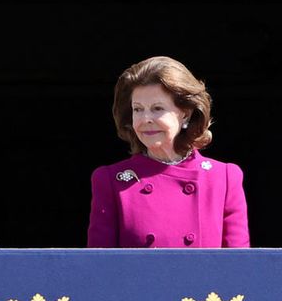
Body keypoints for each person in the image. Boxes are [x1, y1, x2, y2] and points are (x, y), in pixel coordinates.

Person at [86, 56, 249, 248]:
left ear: (185, 114)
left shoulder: (224, 178)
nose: (145, 118)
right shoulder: (110, 180)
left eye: (157, 108)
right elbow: (98, 267)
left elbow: (239, 267)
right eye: (137, 109)